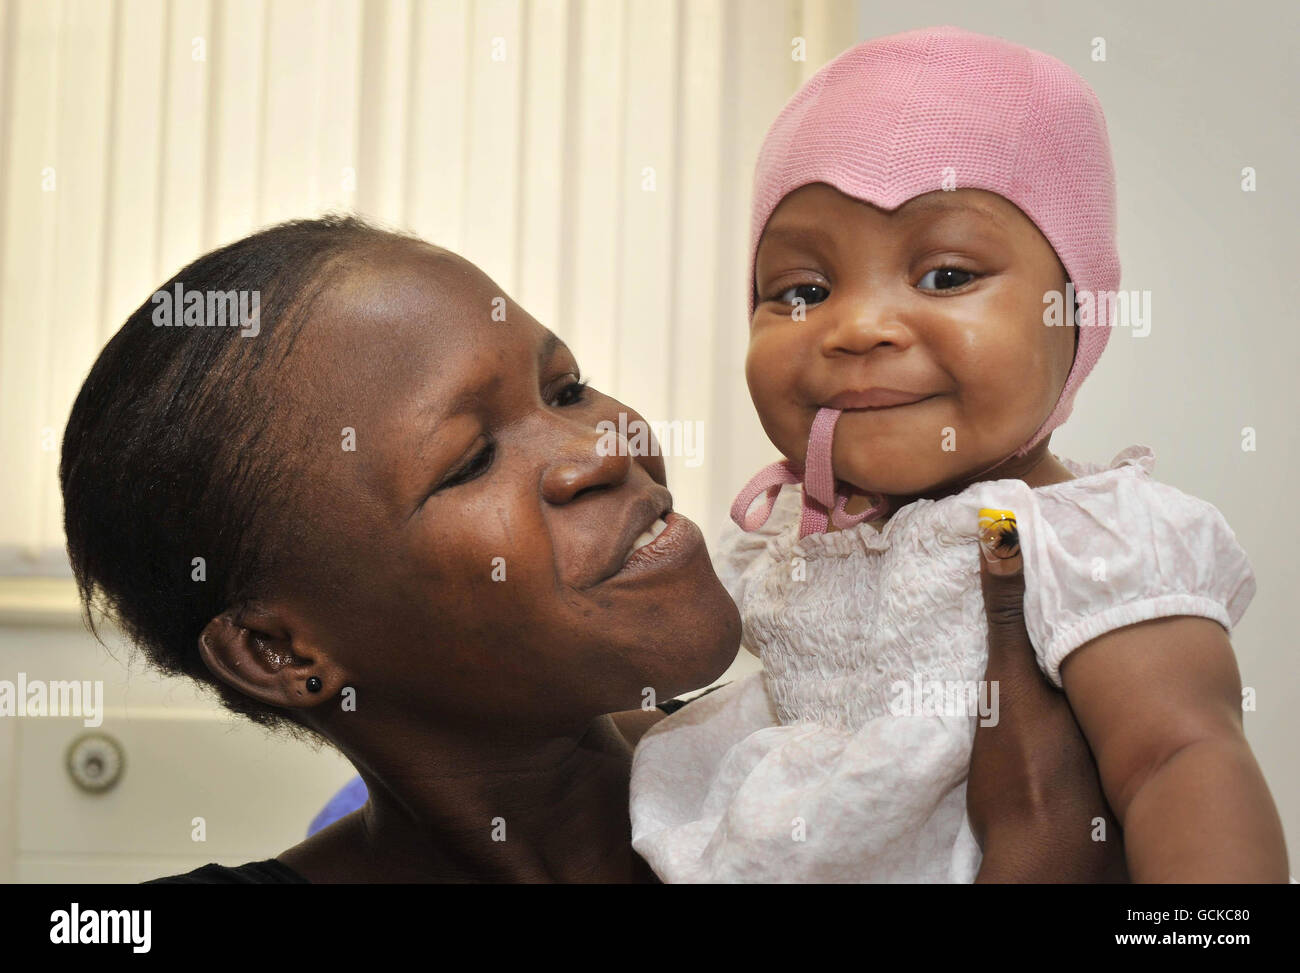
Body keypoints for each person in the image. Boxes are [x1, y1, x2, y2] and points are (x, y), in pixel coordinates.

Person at [61, 215, 1123, 883]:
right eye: (470, 459)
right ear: (279, 651)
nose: (602, 445)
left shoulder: (874, 788)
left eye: (564, 387)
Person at [627, 25, 1290, 882]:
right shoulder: (780, 542)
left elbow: (1178, 765)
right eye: (804, 290)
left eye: (945, 275)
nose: (857, 327)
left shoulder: (1091, 543)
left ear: (1075, 312)